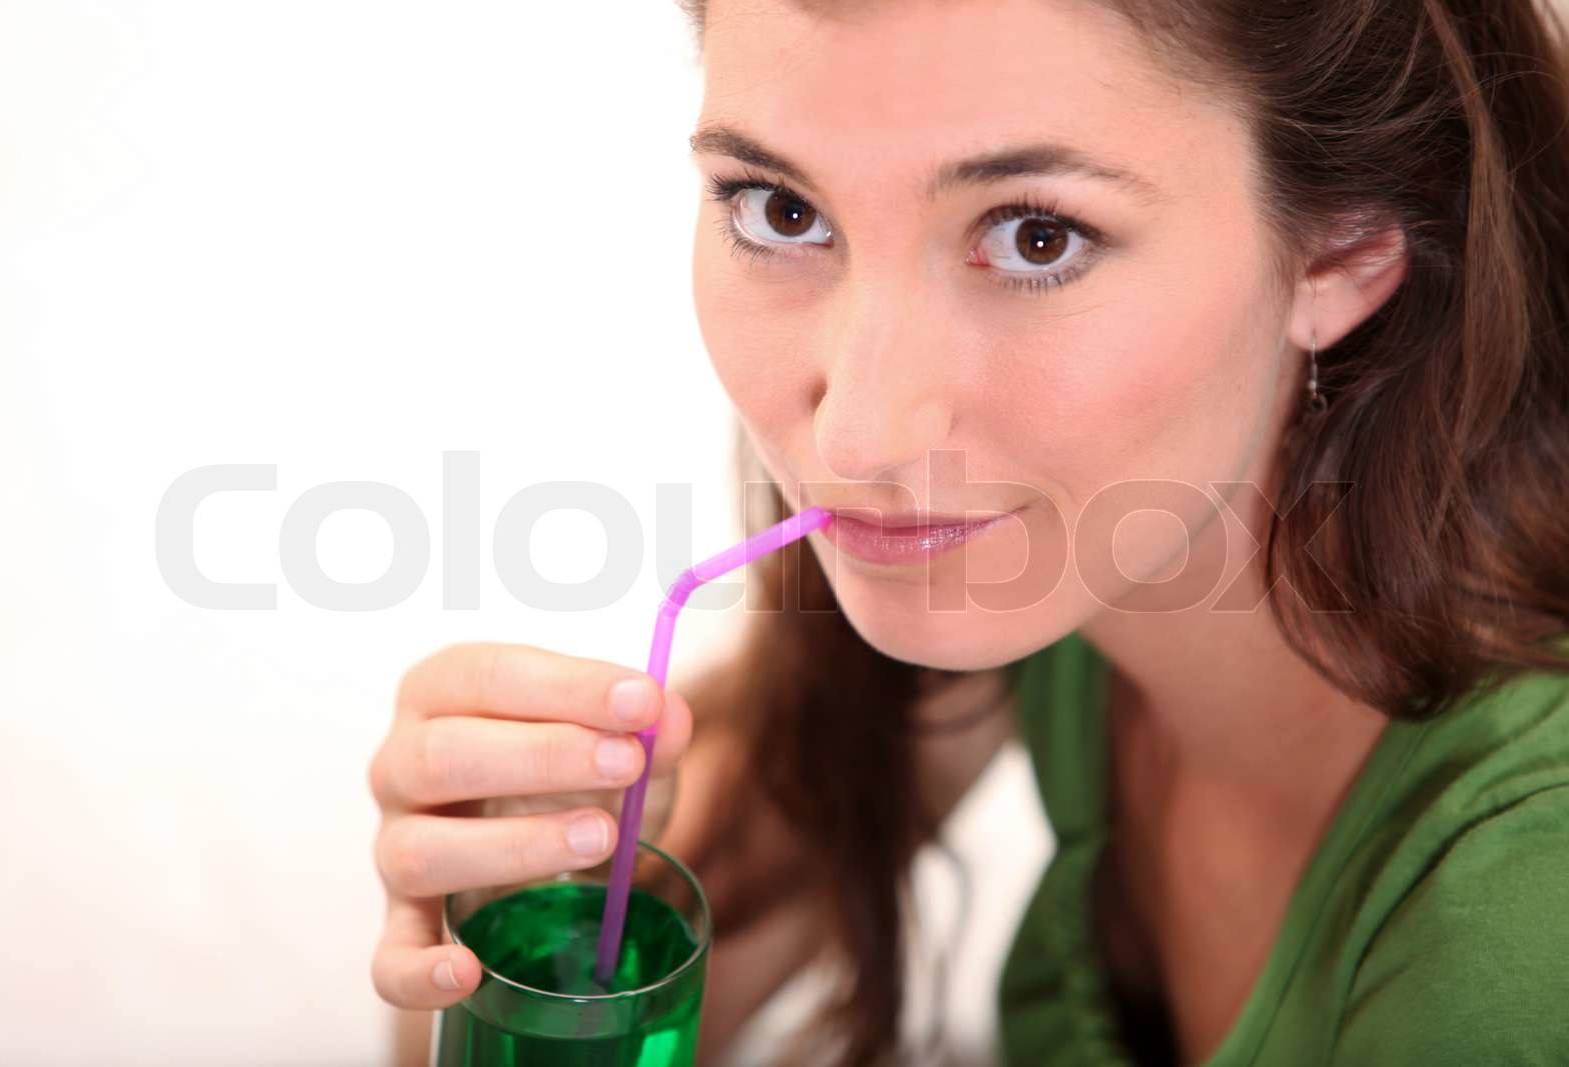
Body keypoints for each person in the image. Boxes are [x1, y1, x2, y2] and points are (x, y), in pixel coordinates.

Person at [367, 0, 1569, 1063]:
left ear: (1346, 248)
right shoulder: (1058, 575)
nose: (858, 437)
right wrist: (539, 938)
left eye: (1036, 236)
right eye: (780, 208)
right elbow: (687, 954)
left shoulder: (1513, 940)